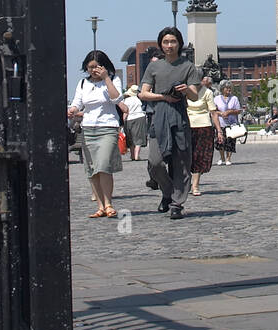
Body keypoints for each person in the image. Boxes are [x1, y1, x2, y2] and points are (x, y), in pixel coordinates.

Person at [139, 27, 200, 219]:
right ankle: (167, 191)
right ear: (161, 44)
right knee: (155, 162)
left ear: (179, 43)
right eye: (165, 42)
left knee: (181, 162)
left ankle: (177, 203)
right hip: (159, 116)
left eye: (173, 41)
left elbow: (195, 95)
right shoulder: (154, 67)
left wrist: (184, 90)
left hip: (179, 116)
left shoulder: (188, 66)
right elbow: (143, 92)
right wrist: (163, 97)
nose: (169, 45)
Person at [68, 50, 126, 218]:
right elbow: (78, 103)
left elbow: (117, 99)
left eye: (97, 67)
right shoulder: (82, 83)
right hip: (88, 128)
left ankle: (108, 203)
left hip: (107, 127)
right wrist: (72, 110)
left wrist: (106, 78)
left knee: (104, 165)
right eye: (90, 67)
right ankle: (100, 206)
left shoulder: (113, 80)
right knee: (92, 169)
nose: (93, 70)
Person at [187, 73, 223, 195]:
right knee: (186, 156)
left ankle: (195, 185)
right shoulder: (185, 91)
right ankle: (187, 182)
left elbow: (213, 113)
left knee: (199, 156)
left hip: (203, 126)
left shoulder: (207, 92)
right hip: (187, 125)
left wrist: (219, 130)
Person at [215, 80, 241, 164]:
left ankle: (228, 158)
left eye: (230, 88)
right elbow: (213, 110)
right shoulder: (217, 99)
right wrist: (221, 113)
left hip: (231, 124)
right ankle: (222, 157)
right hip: (221, 123)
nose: (229, 89)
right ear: (222, 89)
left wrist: (229, 112)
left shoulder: (234, 98)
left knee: (230, 141)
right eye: (227, 88)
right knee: (221, 141)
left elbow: (238, 110)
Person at [122, 83, 148, 160]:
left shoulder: (126, 100)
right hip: (139, 117)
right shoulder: (138, 100)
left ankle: (132, 155)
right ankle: (137, 155)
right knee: (138, 137)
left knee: (130, 138)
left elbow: (125, 111)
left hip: (129, 118)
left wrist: (124, 121)